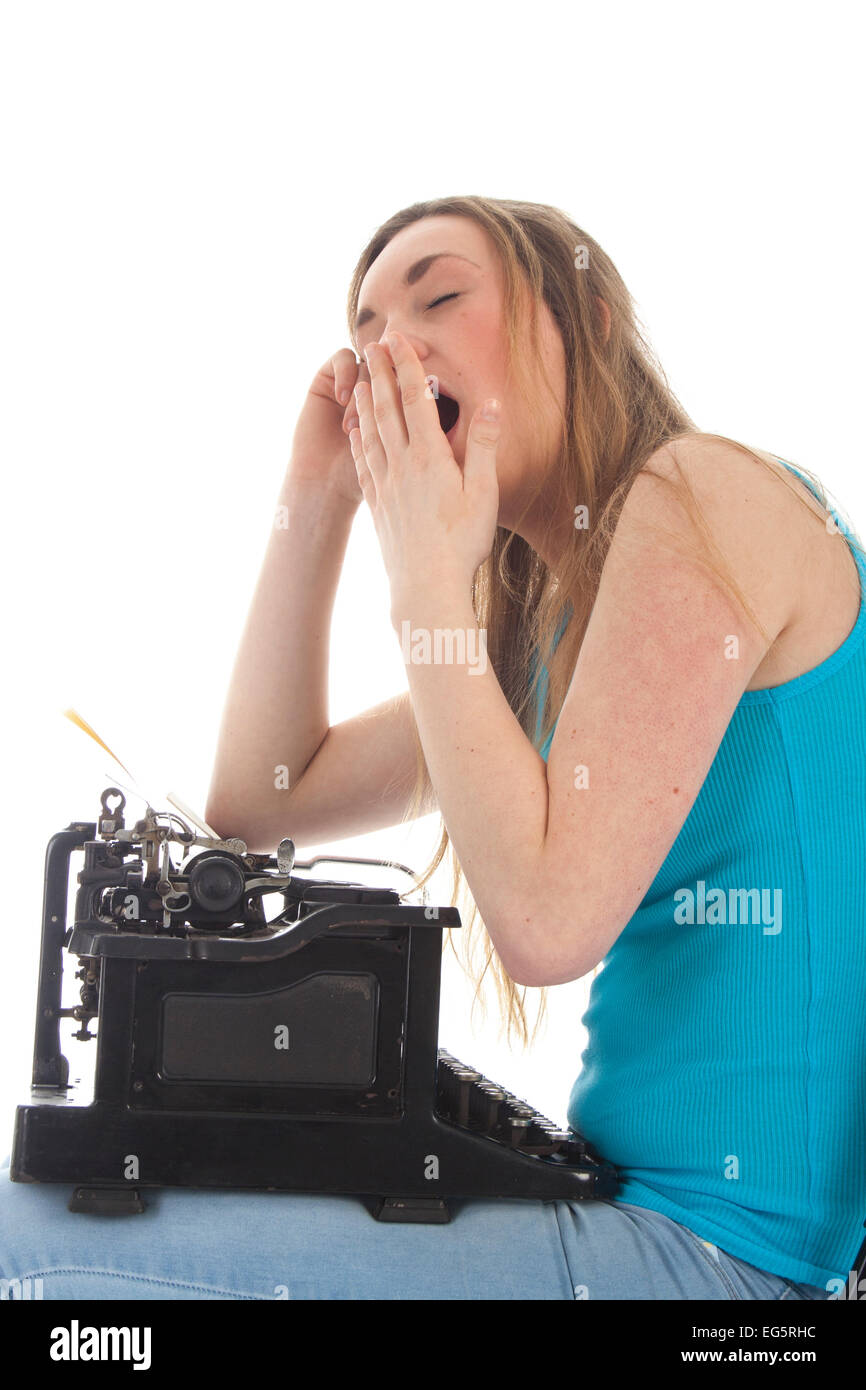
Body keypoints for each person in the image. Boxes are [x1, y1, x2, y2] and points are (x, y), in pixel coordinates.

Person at [1, 196, 862, 1300]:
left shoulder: (702, 493)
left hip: (724, 1267)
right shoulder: (549, 640)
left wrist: (424, 581)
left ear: (587, 320)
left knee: (29, 1253)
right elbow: (261, 795)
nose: (385, 349)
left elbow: (546, 925)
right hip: (636, 1218)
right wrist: (318, 496)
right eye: (362, 329)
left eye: (440, 294)